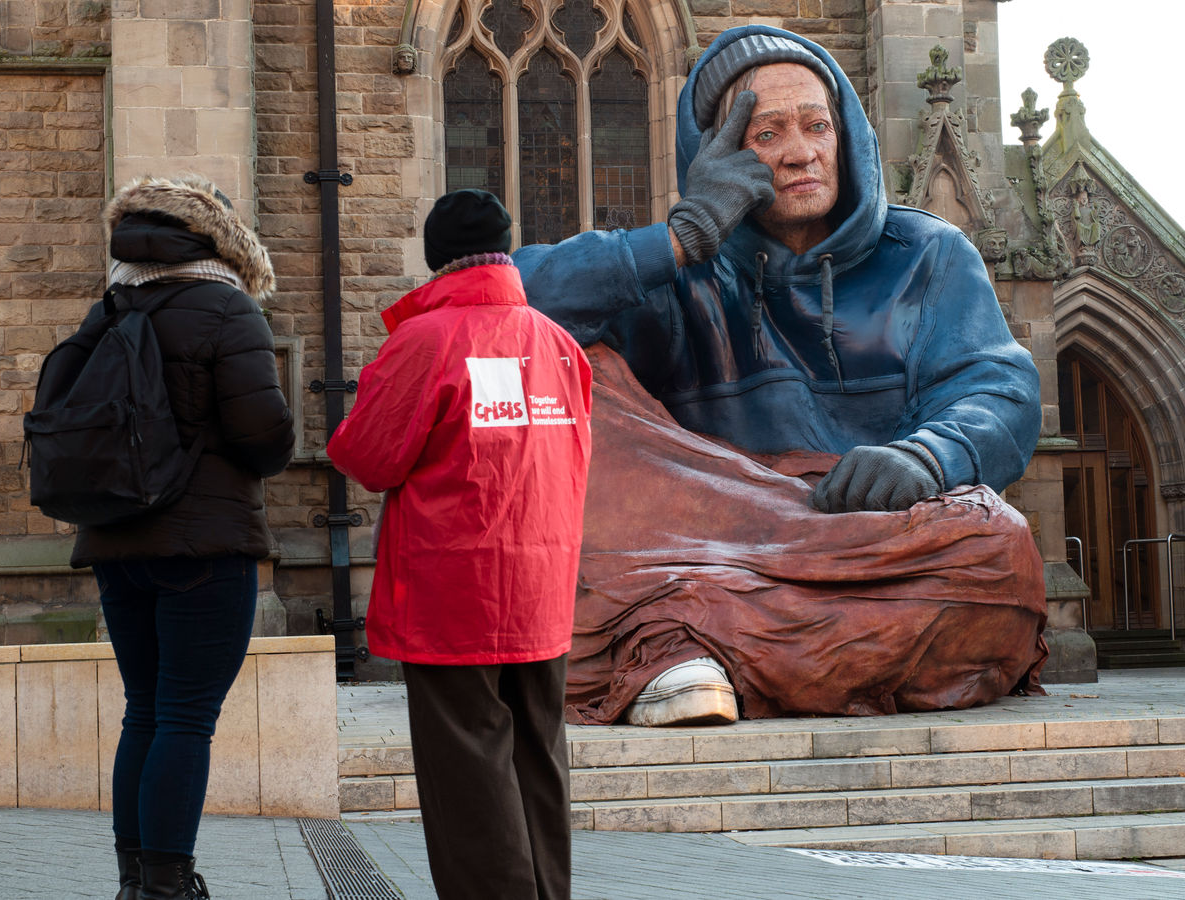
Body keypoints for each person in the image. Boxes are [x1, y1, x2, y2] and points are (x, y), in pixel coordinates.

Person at [513, 25, 1043, 726]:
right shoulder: (677, 274)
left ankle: (678, 646)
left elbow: (999, 390)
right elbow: (503, 305)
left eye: (816, 125)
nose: (800, 152)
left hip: (871, 538)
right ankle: (779, 652)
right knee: (548, 369)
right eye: (767, 134)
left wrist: (928, 456)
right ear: (719, 155)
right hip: (718, 540)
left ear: (845, 135)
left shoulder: (929, 254)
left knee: (1001, 549)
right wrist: (678, 238)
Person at [326, 189, 592, 900]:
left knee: (468, 773)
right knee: (540, 761)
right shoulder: (559, 344)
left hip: (454, 592)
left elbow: (368, 457)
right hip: (541, 588)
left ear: (436, 258)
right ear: (507, 248)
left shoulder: (425, 341)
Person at [72, 174, 295, 900]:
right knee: (186, 718)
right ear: (216, 240)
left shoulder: (104, 312)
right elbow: (265, 438)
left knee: (145, 709)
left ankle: (136, 881)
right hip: (205, 547)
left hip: (115, 544)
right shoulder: (227, 309)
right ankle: (168, 887)